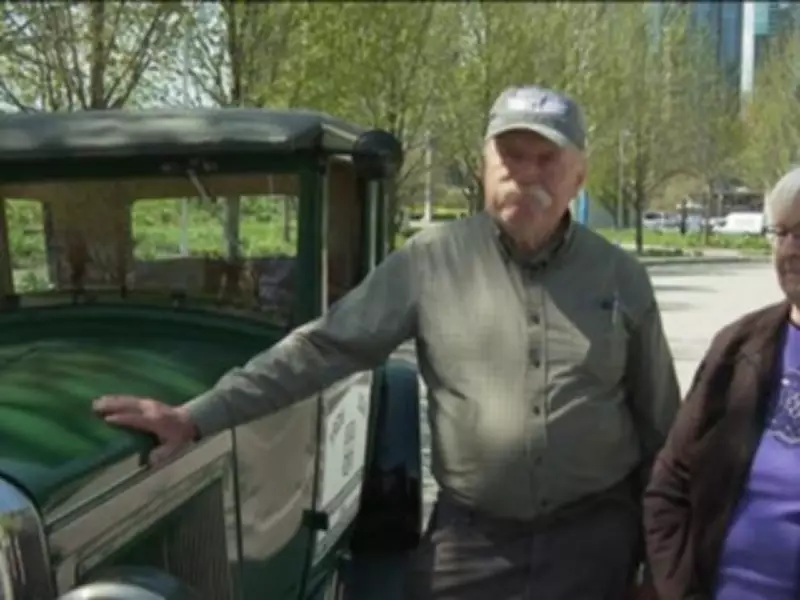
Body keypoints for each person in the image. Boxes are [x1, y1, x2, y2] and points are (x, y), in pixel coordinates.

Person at [94, 85, 680, 600]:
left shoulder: (620, 278)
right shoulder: (432, 261)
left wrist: (663, 565)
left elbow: (663, 432)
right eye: (510, 156)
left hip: (592, 542)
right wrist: (196, 416)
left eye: (546, 159)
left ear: (579, 176)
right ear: (484, 168)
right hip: (472, 543)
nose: (525, 174)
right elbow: (323, 348)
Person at [644, 167, 800, 600]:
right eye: (782, 232)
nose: (790, 249)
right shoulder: (738, 348)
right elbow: (670, 482)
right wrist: (678, 589)